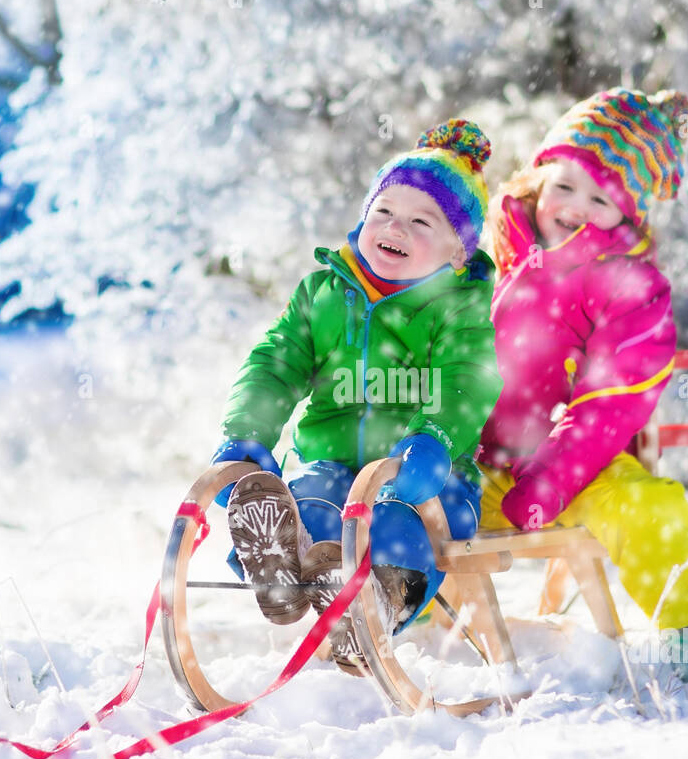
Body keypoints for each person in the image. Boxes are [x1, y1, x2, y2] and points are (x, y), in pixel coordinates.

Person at [211, 120, 503, 671]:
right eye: (384, 212)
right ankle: (284, 565)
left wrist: (436, 439)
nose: (396, 227)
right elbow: (275, 364)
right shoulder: (323, 293)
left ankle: (377, 602)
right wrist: (247, 432)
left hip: (426, 475)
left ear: (457, 253)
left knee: (397, 525)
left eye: (422, 221)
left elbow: (471, 376)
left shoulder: (458, 308)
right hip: (330, 462)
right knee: (313, 505)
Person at [476, 87, 688, 681]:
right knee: (410, 499)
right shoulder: (496, 260)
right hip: (481, 463)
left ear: (629, 213)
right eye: (564, 185)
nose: (576, 206)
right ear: (539, 180)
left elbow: (612, 401)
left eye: (601, 197)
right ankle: (402, 614)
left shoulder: (632, 287)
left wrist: (552, 478)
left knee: (649, 510)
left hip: (581, 468)